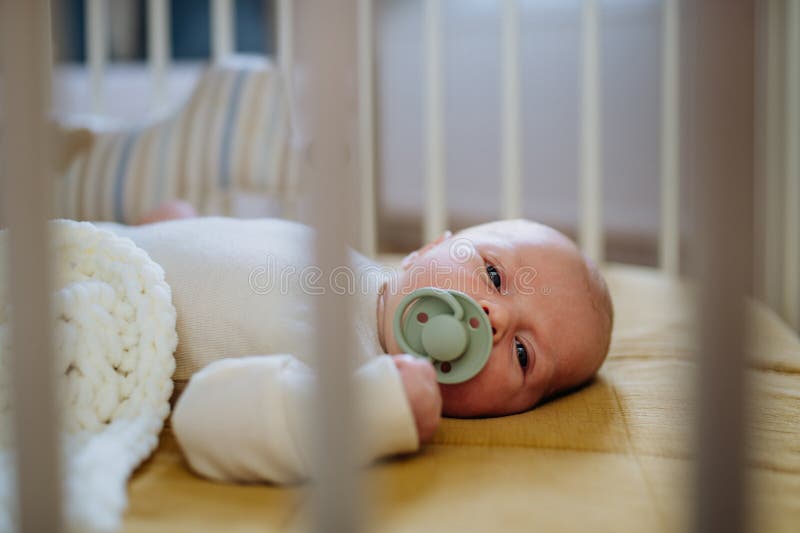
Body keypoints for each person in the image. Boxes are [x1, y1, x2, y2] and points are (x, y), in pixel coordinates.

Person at [123, 205, 612, 484]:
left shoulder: (351, 379)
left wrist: (374, 411)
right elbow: (242, 243)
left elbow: (205, 421)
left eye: (524, 355)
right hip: (102, 243)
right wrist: (176, 227)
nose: (497, 317)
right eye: (492, 273)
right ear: (426, 248)